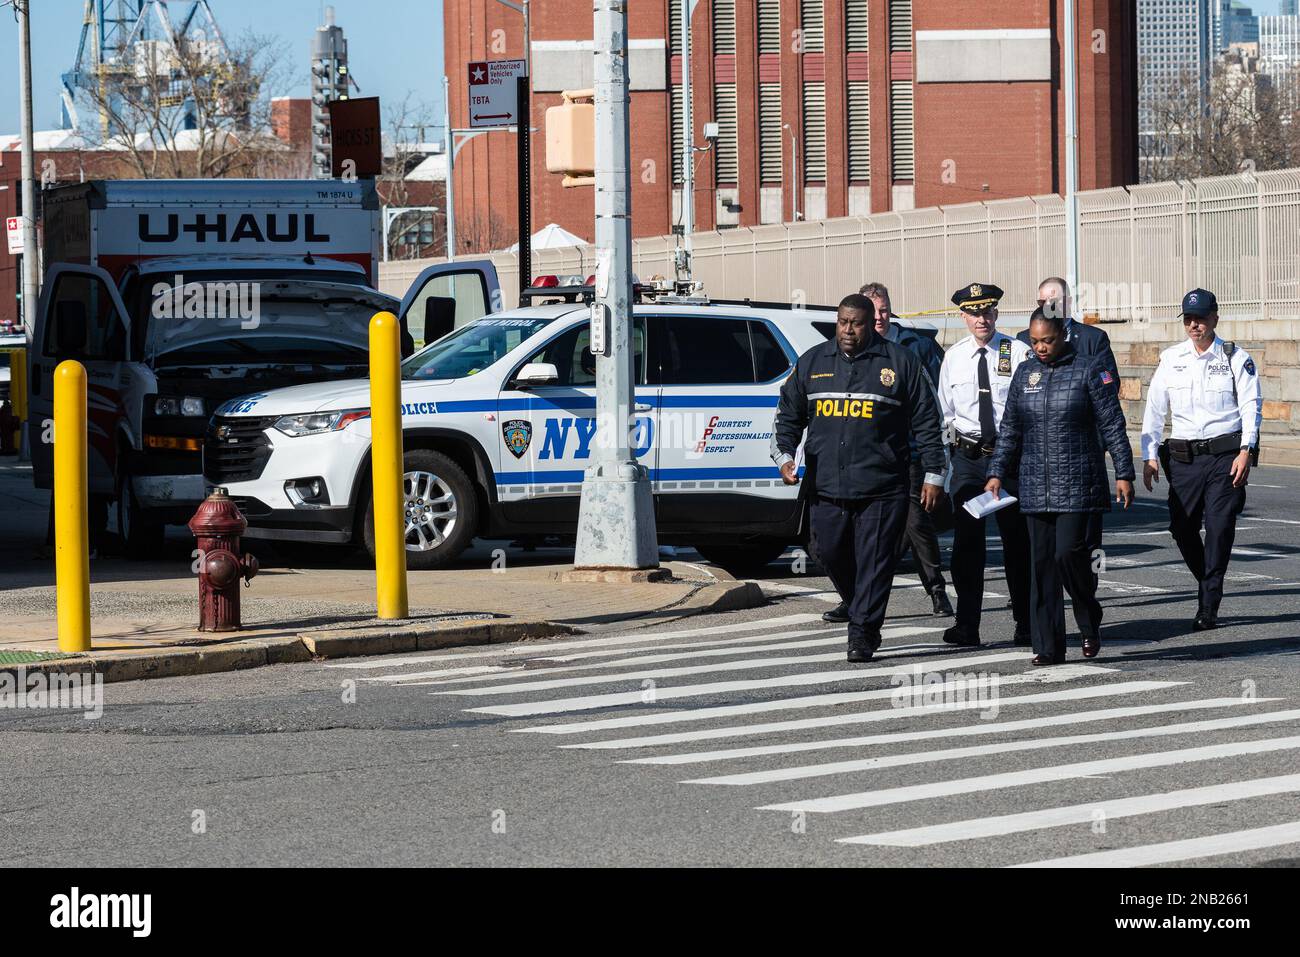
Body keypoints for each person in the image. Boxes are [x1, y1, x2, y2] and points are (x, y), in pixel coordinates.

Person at [772, 293, 947, 662]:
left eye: (857, 323)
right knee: (826, 551)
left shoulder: (901, 362)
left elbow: (930, 422)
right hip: (825, 484)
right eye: (843, 322)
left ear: (871, 324)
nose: (849, 330)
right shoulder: (814, 362)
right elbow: (788, 414)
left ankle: (863, 634)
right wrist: (785, 457)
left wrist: (934, 474)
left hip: (883, 486)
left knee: (875, 560)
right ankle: (859, 605)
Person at [986, 307, 1136, 665]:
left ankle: (1088, 617)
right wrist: (996, 471)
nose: (1040, 347)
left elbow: (1112, 423)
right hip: (1035, 484)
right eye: (1035, 341)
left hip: (1078, 481)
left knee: (1068, 554)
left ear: (1063, 336)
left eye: (1047, 340)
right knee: (1041, 568)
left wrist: (1124, 472)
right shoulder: (1024, 374)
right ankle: (1048, 646)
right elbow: (1010, 430)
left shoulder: (1088, 370)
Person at [1140, 288, 1262, 631]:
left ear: (1215, 319)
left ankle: (1208, 604)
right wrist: (1149, 455)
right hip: (1183, 459)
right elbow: (1154, 410)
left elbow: (1251, 406)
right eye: (1189, 319)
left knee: (1220, 529)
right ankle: (1208, 581)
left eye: (1202, 318)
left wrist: (1246, 451)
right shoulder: (1172, 358)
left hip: (1225, 456)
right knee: (1182, 528)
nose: (1195, 325)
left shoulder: (1235, 358)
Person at [936, 283, 1032, 648]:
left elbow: (1028, 409)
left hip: (1009, 460)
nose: (982, 319)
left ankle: (1025, 622)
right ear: (963, 316)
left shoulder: (1017, 351)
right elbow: (946, 413)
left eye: (988, 311)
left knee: (1017, 544)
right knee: (967, 547)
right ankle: (967, 626)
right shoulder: (954, 357)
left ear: (996, 313)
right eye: (974, 313)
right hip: (969, 459)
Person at [853, 281, 954, 619]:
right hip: (872, 453)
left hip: (910, 450)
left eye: (884, 310)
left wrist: (937, 457)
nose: (880, 317)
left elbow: (938, 399)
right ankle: (854, 595)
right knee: (871, 530)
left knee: (916, 521)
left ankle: (937, 590)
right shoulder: (858, 349)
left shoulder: (917, 346)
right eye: (873, 312)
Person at [1018, 277, 1119, 379]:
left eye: (1053, 302)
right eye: (1042, 302)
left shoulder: (1093, 339)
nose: (1048, 307)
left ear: (1068, 302)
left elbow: (1110, 381)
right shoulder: (1023, 339)